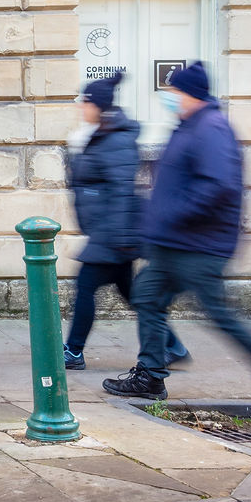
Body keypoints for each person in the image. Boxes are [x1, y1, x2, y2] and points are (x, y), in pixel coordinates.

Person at [103, 61, 251, 426]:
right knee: (146, 296)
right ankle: (151, 376)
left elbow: (219, 187)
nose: (169, 99)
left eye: (174, 93)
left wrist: (170, 215)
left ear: (190, 94)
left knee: (223, 318)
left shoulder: (212, 128)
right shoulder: (190, 127)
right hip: (173, 246)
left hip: (198, 247)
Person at [62, 70, 187, 371]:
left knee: (85, 286)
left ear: (98, 106)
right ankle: (173, 345)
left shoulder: (115, 140)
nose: (81, 106)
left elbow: (120, 191)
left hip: (113, 233)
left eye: (85, 102)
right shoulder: (102, 135)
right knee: (134, 295)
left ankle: (74, 351)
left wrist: (119, 241)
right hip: (111, 232)